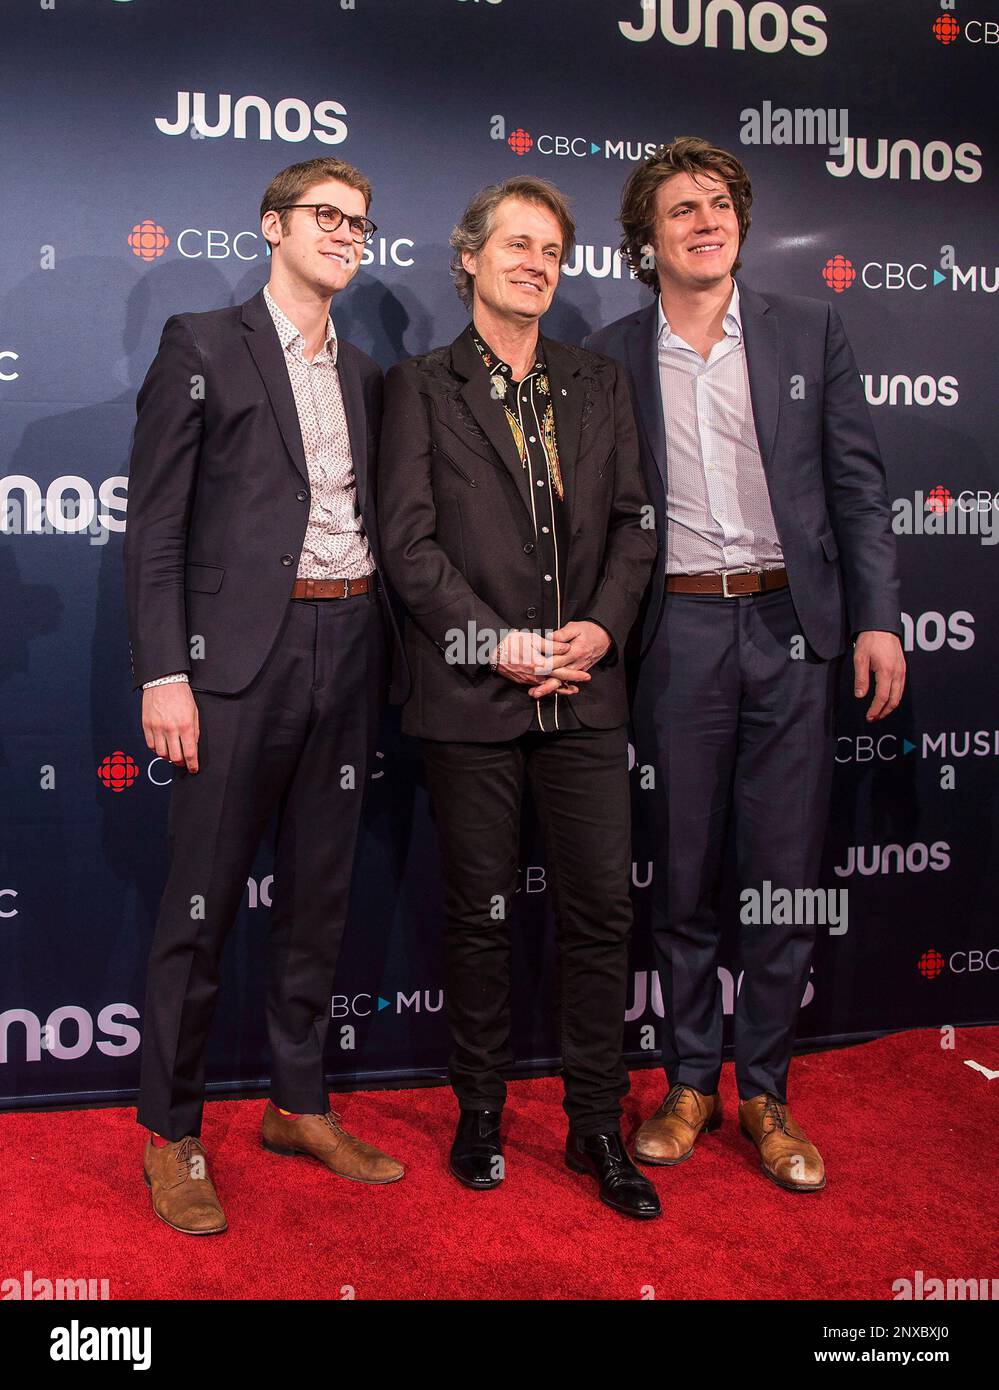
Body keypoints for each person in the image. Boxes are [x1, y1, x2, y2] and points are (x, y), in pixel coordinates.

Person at [585, 138, 905, 1193]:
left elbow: (856, 487)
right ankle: (687, 1081)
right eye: (681, 209)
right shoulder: (614, 355)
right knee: (679, 873)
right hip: (674, 633)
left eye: (719, 205)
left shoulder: (809, 329)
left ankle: (764, 1089)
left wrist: (877, 620)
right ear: (647, 238)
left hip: (791, 631)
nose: (705, 221)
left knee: (782, 879)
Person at [124, 156, 406, 1235]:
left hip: (351, 640)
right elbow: (154, 525)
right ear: (271, 226)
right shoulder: (203, 343)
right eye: (326, 217)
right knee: (198, 902)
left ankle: (297, 1103)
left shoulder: (369, 372)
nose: (346, 235)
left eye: (361, 225)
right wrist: (164, 671)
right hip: (236, 658)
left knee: (320, 896)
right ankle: (170, 1132)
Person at [378, 177, 660, 1219]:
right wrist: (492, 643)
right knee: (480, 918)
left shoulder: (599, 382)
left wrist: (600, 627)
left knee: (599, 914)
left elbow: (636, 524)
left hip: (588, 692)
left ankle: (595, 1126)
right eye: (516, 245)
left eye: (551, 249)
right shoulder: (418, 385)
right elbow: (408, 546)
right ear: (469, 259)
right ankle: (482, 1111)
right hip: (470, 699)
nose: (536, 262)